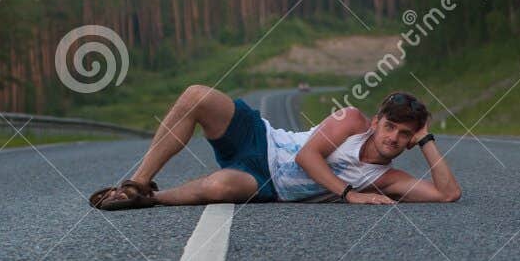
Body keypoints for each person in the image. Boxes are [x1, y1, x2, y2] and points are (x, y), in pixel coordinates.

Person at [87, 87, 460, 209]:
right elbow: (306, 156)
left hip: (266, 184)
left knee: (217, 189)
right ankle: (136, 182)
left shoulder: (387, 178)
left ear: (409, 140)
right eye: (389, 126)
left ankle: (149, 200)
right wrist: (349, 194)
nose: (392, 137)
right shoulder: (351, 121)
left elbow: (447, 194)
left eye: (403, 134)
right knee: (196, 96)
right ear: (377, 121)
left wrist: (426, 139)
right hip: (261, 139)